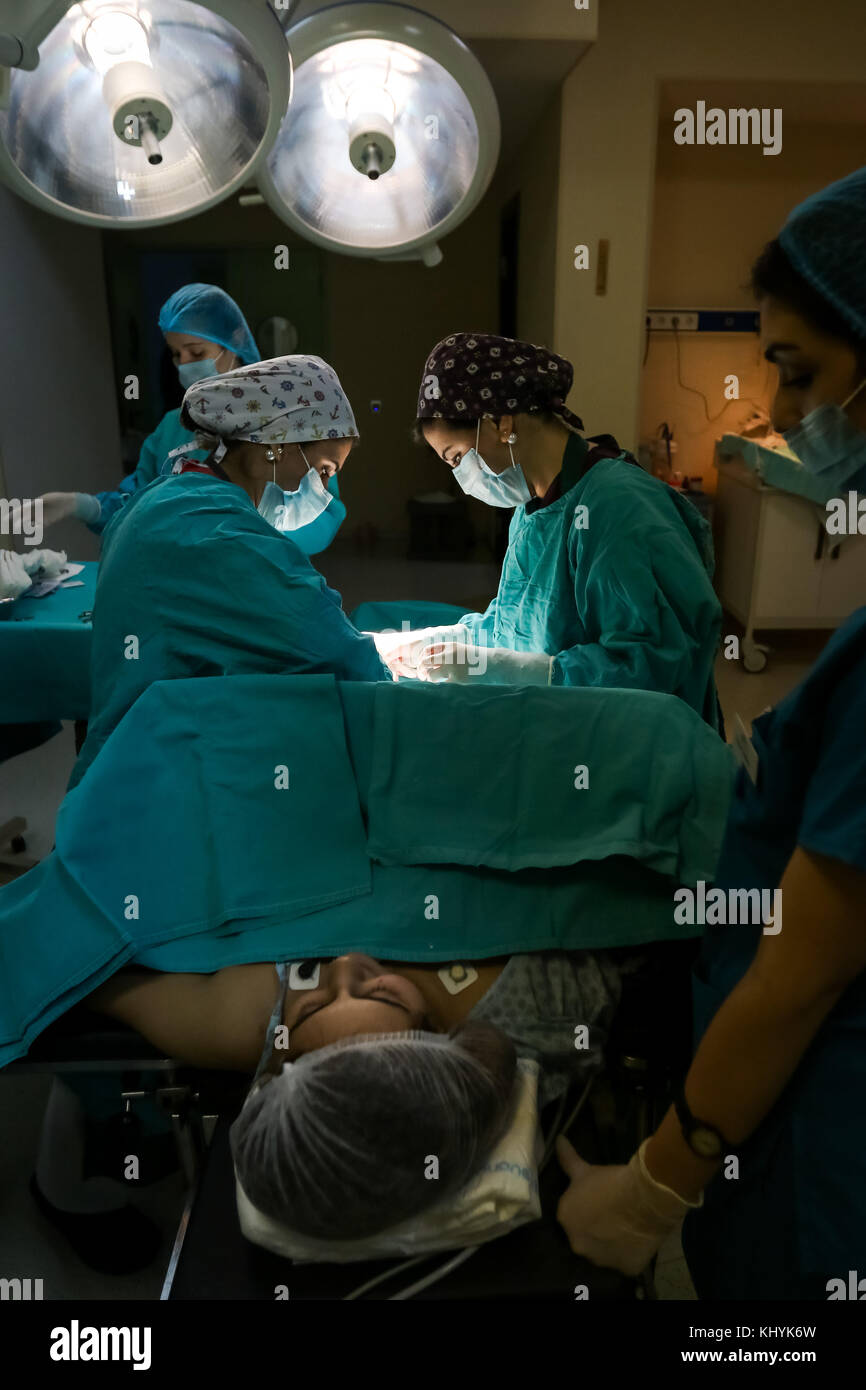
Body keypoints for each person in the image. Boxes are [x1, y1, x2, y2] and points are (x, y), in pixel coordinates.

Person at [555, 166, 866, 1300]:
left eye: (797, 372)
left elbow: (803, 968)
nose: (778, 416)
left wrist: (655, 1180)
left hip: (822, 1134)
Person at [80, 947, 627, 1244]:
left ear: (281, 1062)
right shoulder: (544, 995)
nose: (345, 962)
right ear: (440, 1045)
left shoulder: (239, 1022)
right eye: (380, 989)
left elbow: (86, 972)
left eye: (314, 1002)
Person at [70, 355, 388, 788]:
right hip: (160, 785)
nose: (324, 491)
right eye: (325, 470)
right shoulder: (216, 530)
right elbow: (334, 649)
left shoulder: (169, 497)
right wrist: (399, 684)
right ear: (277, 441)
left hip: (131, 760)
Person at [380, 334, 722, 729]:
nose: (461, 476)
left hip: (632, 750)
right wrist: (438, 642)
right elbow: (514, 625)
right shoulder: (535, 509)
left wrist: (523, 672)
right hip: (557, 724)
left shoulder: (619, 507)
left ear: (500, 422)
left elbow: (652, 667)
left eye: (458, 457)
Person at [37, 284, 346, 557]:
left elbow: (319, 521)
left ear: (233, 346)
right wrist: (78, 505)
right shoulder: (172, 428)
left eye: (196, 352)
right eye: (175, 354)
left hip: (259, 581)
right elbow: (136, 507)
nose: (184, 364)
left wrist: (254, 521)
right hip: (182, 591)